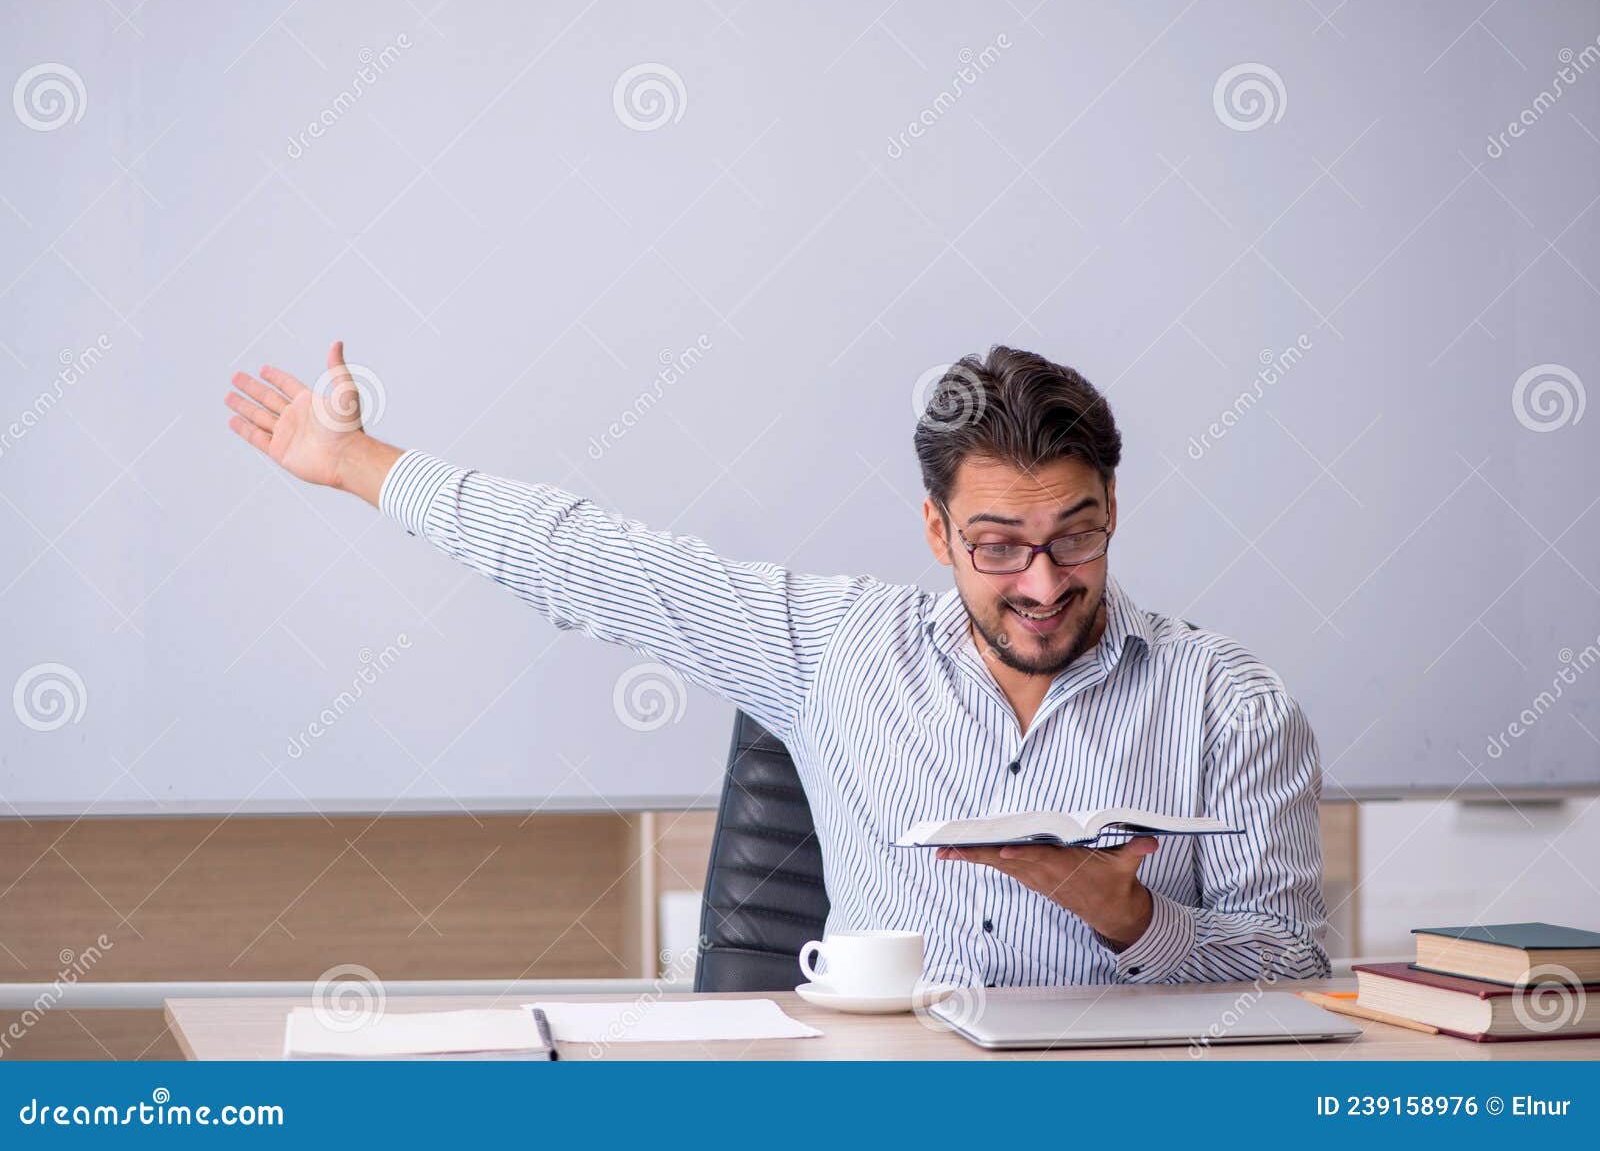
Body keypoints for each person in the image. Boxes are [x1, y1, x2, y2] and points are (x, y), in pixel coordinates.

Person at [223, 341, 1330, 986]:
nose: (1042, 585)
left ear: (1114, 510)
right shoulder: (835, 649)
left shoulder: (1227, 706)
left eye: (1075, 536)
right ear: (938, 535)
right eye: (998, 548)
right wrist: (355, 461)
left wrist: (1130, 917)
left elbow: (1292, 975)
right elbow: (591, 559)